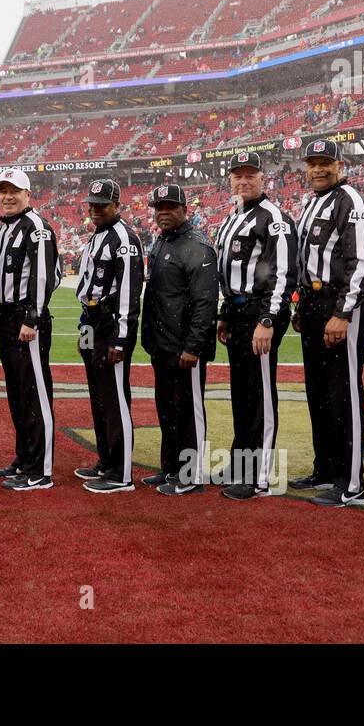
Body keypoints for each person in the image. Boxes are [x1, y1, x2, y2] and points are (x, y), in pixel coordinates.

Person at [291, 139, 364, 507]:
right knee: (320, 394)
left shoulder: (351, 201)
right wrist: (300, 306)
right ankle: (326, 467)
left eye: (326, 162)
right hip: (313, 304)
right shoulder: (314, 202)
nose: (318, 169)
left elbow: (361, 264)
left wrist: (342, 313)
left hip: (338, 305)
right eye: (313, 163)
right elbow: (306, 258)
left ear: (340, 165)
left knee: (343, 395)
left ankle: (352, 482)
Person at [213, 151, 296, 500]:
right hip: (238, 314)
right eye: (237, 175)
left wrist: (268, 320)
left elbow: (282, 275)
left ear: (264, 178)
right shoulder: (234, 217)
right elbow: (229, 274)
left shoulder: (273, 217)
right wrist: (224, 312)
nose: (243, 181)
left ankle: (260, 476)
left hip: (259, 314)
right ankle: (240, 464)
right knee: (242, 396)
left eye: (250, 175)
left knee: (260, 395)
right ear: (230, 179)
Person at [141, 183, 218, 495]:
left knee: (188, 412)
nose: (163, 213)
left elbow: (205, 303)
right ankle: (171, 468)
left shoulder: (197, 245)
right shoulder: (163, 242)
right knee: (168, 410)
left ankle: (192, 475)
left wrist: (193, 346)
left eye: (170, 207)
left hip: (184, 347)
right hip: (163, 345)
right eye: (158, 208)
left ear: (185, 209)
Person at [0, 168, 61, 491]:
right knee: (17, 394)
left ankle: (40, 470)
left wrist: (31, 318)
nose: (8, 196)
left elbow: (45, 277)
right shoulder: (4, 230)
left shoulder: (37, 228)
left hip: (26, 320)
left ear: (28, 194)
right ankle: (24, 457)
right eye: (3, 191)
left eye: (14, 191)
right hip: (7, 319)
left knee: (34, 393)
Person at [74, 178, 143, 494]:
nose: (95, 209)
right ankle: (105, 460)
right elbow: (88, 285)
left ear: (117, 205)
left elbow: (129, 293)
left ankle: (121, 472)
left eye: (102, 205)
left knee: (114, 398)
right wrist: (82, 328)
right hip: (91, 324)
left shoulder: (124, 239)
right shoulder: (97, 236)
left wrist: (120, 340)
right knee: (98, 396)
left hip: (110, 325)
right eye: (92, 204)